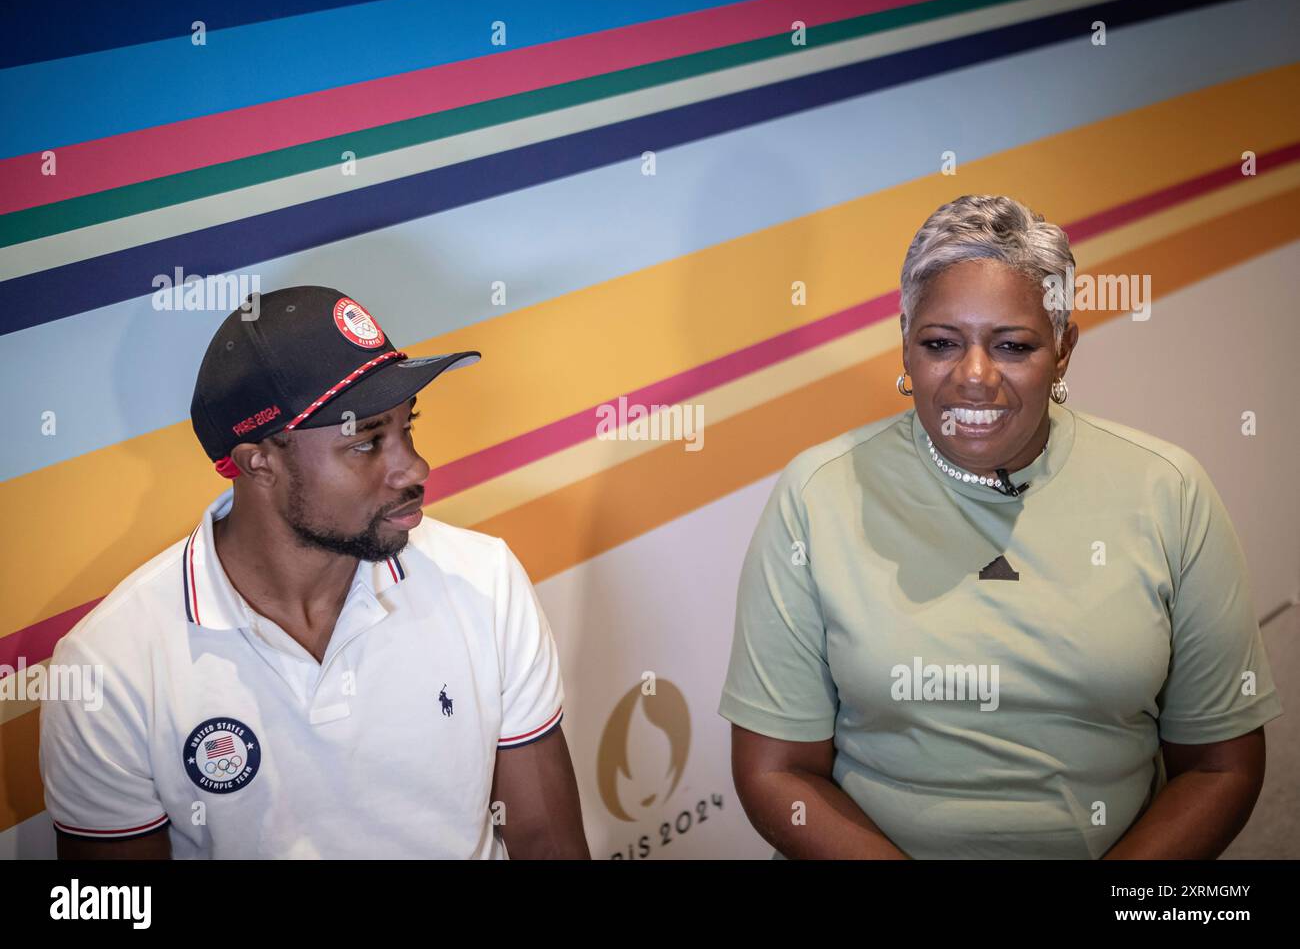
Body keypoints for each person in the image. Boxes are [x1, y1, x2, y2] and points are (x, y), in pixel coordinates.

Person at [719, 195, 1283, 859]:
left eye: (1013, 346)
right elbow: (775, 772)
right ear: (905, 340)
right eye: (940, 344)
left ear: (1064, 349)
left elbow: (1221, 766)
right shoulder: (817, 496)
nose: (974, 378)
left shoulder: (1169, 491)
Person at [40, 285, 589, 859]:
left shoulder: (484, 579)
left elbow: (544, 841)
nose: (414, 467)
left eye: (407, 429)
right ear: (260, 463)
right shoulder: (109, 669)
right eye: (368, 442)